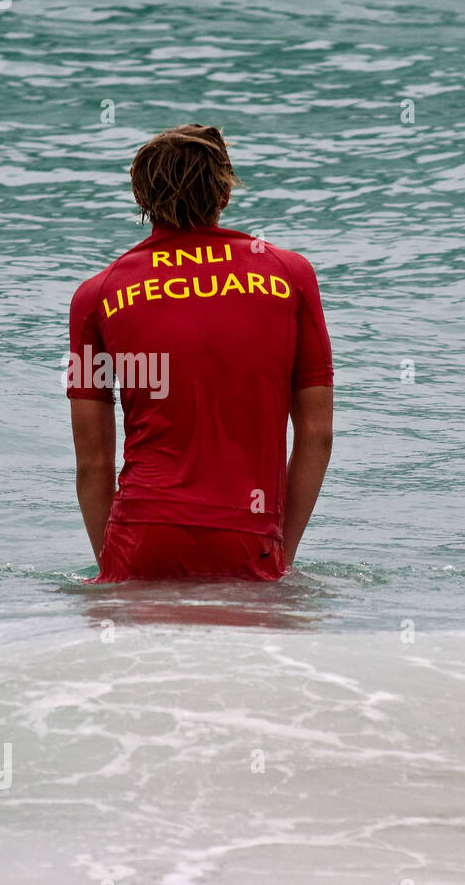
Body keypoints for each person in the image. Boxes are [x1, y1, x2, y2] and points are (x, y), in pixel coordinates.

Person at [66, 124, 333, 581]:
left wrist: (116, 563)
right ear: (224, 195)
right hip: (249, 536)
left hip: (142, 534)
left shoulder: (96, 294)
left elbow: (93, 465)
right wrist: (276, 551)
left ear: (142, 199)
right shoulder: (289, 275)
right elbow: (317, 434)